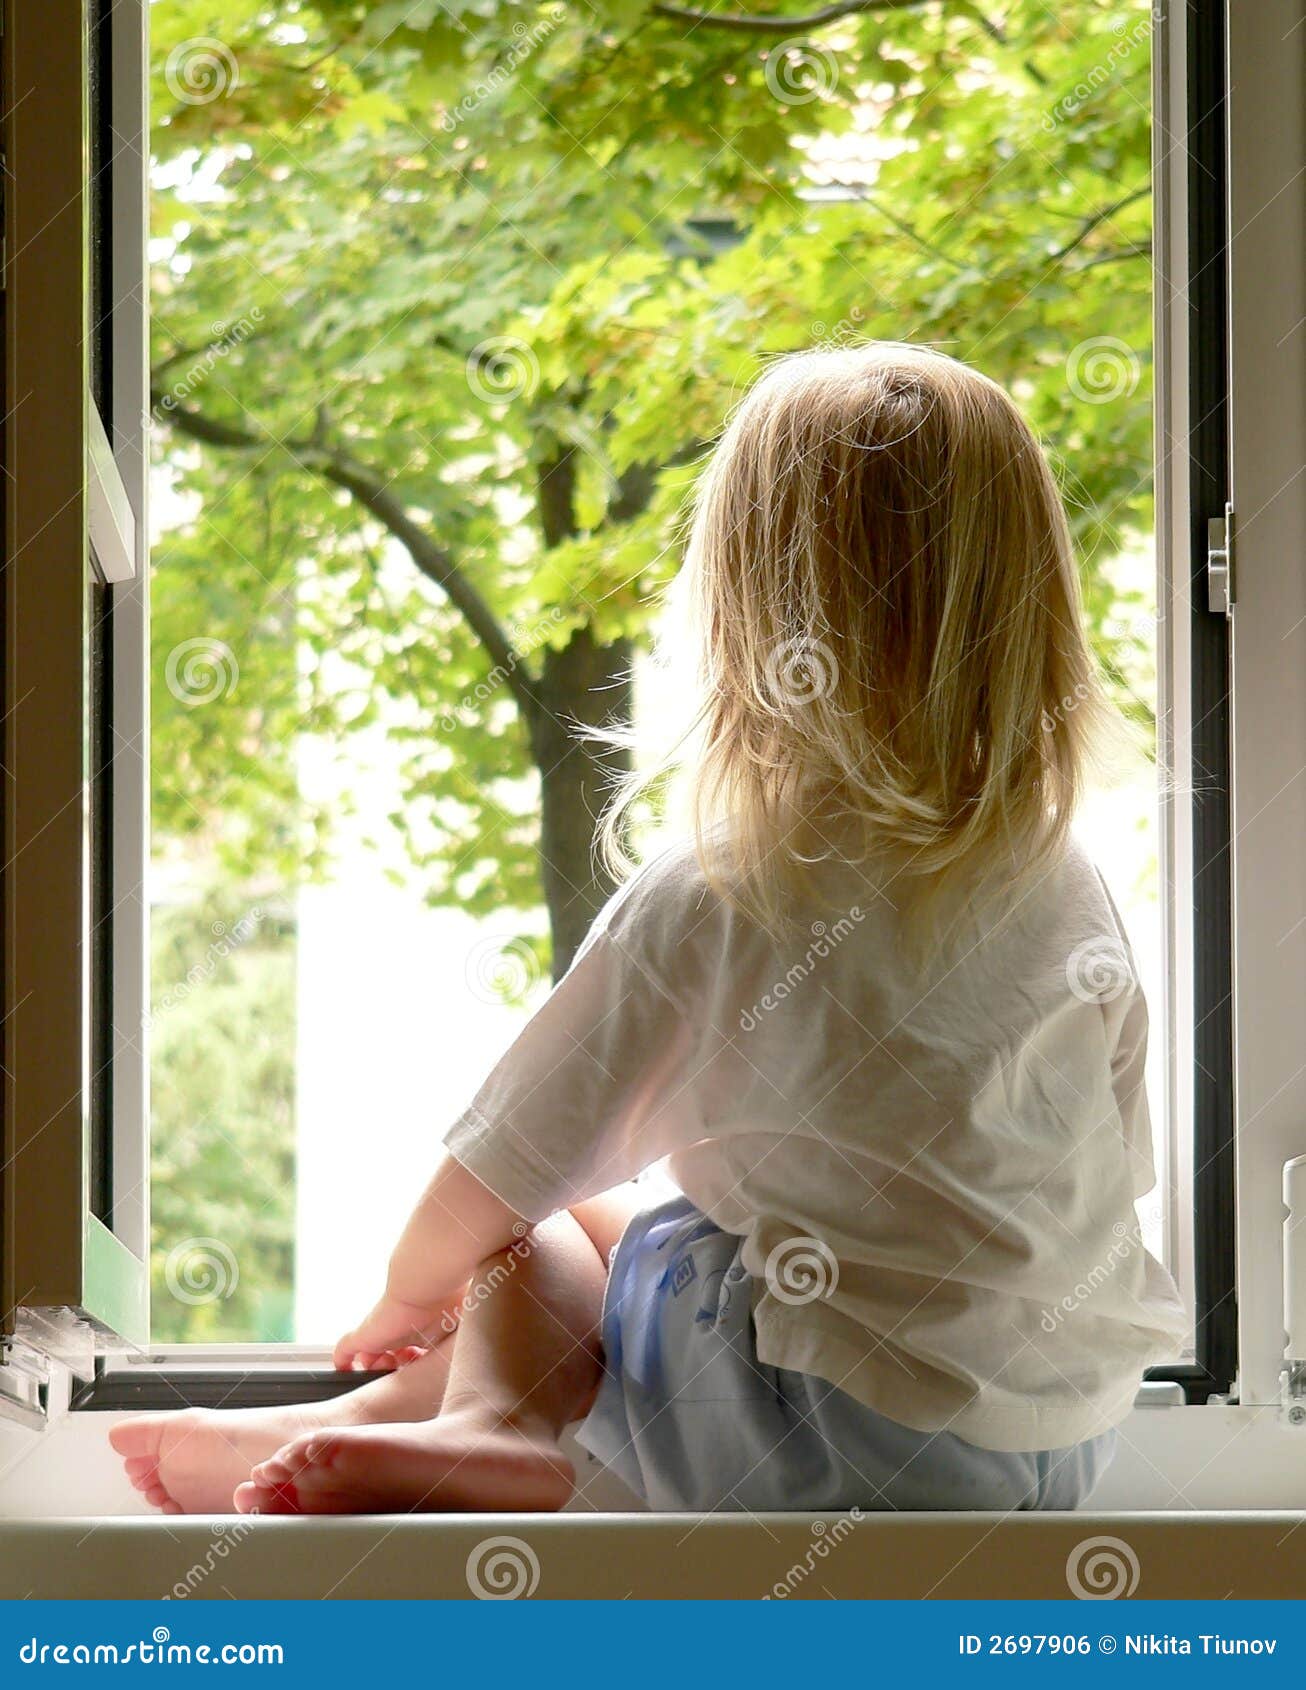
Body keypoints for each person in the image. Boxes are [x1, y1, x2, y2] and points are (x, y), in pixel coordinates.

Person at [111, 342, 1187, 1516]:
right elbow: (1113, 1160)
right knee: (629, 1235)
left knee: (541, 1227)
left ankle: (491, 1424)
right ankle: (351, 1426)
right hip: (1053, 1448)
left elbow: (496, 1166)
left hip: (812, 1439)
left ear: (742, 609)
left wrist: (407, 1294)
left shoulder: (725, 886)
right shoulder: (1066, 881)